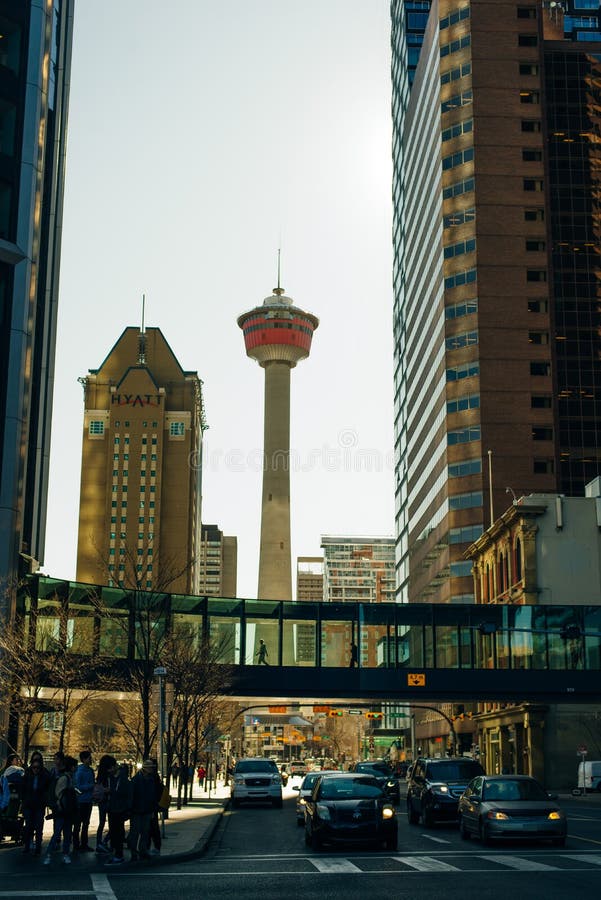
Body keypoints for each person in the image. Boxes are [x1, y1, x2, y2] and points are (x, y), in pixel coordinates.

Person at [43, 754, 78, 866]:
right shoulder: (65, 778)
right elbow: (59, 794)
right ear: (71, 767)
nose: (76, 768)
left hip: (65, 810)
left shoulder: (66, 777)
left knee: (65, 833)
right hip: (63, 810)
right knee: (61, 833)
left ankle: (57, 854)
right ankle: (53, 854)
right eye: (75, 766)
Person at [21, 752, 50, 855]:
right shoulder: (27, 774)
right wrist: (23, 799)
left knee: (38, 826)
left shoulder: (45, 775)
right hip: (28, 804)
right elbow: (22, 788)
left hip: (39, 804)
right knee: (29, 825)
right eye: (34, 767)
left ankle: (37, 847)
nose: (35, 769)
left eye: (37, 767)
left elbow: (47, 789)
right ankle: (27, 845)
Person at [104, 762, 132, 866]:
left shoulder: (123, 779)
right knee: (113, 831)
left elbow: (125, 793)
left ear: (114, 767)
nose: (109, 771)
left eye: (110, 768)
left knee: (118, 832)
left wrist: (110, 791)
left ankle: (119, 855)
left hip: (120, 809)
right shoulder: (111, 778)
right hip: (112, 808)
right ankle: (116, 853)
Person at [129, 760, 157, 861]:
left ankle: (142, 851)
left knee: (145, 832)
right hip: (136, 810)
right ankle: (134, 852)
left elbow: (152, 796)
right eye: (150, 767)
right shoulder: (136, 780)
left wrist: (152, 810)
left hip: (147, 810)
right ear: (145, 768)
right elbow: (131, 796)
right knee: (135, 833)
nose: (152, 769)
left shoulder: (151, 779)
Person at [72, 750, 95, 852]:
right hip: (80, 801)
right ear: (84, 759)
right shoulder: (79, 771)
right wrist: (89, 786)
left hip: (88, 801)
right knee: (78, 824)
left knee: (86, 824)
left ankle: (84, 844)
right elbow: (77, 787)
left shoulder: (90, 770)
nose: (91, 759)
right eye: (89, 758)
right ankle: (76, 845)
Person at [94, 755, 116, 854]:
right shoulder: (110, 776)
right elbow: (110, 789)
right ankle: (105, 842)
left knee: (102, 823)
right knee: (113, 824)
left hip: (101, 801)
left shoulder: (100, 775)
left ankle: (99, 843)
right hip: (109, 801)